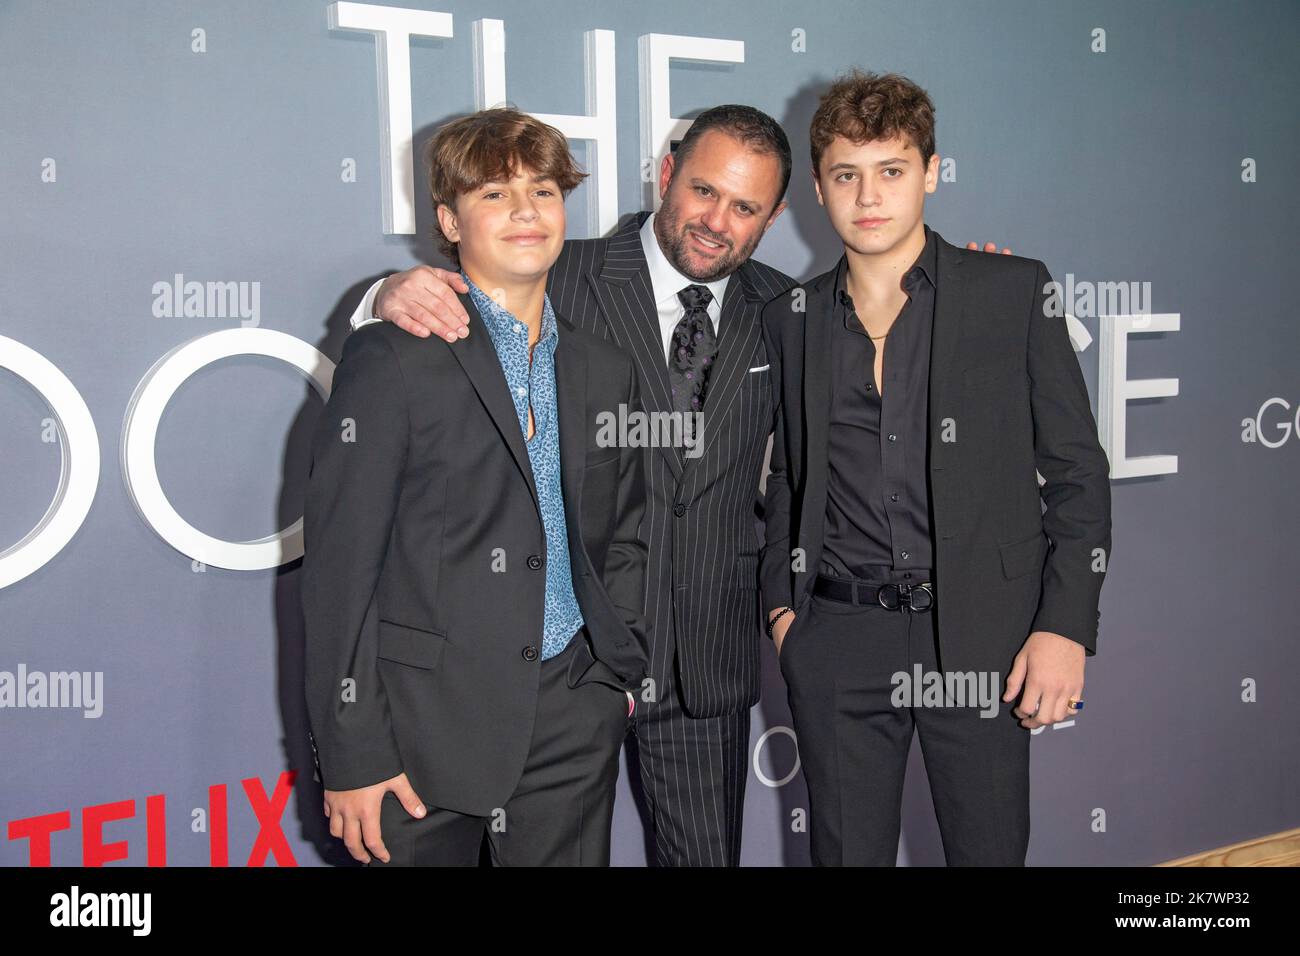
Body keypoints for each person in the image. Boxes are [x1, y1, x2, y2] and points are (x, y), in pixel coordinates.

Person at [351, 102, 1013, 866]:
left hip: (707, 667)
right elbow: (453, 297)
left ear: (773, 217)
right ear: (667, 175)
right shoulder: (560, 266)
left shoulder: (789, 312)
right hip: (562, 666)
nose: (716, 221)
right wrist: (386, 296)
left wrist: (971, 294)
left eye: (745, 207)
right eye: (704, 191)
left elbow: (886, 403)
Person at [761, 70, 1113, 865]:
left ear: (932, 171)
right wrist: (786, 617)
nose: (869, 196)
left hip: (983, 635)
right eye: (847, 175)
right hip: (839, 636)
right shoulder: (793, 318)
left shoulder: (1014, 292)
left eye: (891, 170)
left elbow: (1076, 473)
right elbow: (788, 475)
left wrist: (1063, 627)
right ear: (819, 188)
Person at [301, 106, 649, 866]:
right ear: (449, 221)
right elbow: (339, 568)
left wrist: (615, 676)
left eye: (545, 190)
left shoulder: (603, 367)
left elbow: (621, 534)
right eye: (494, 192)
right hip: (421, 734)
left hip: (572, 718)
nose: (526, 209)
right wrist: (354, 751)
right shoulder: (393, 356)